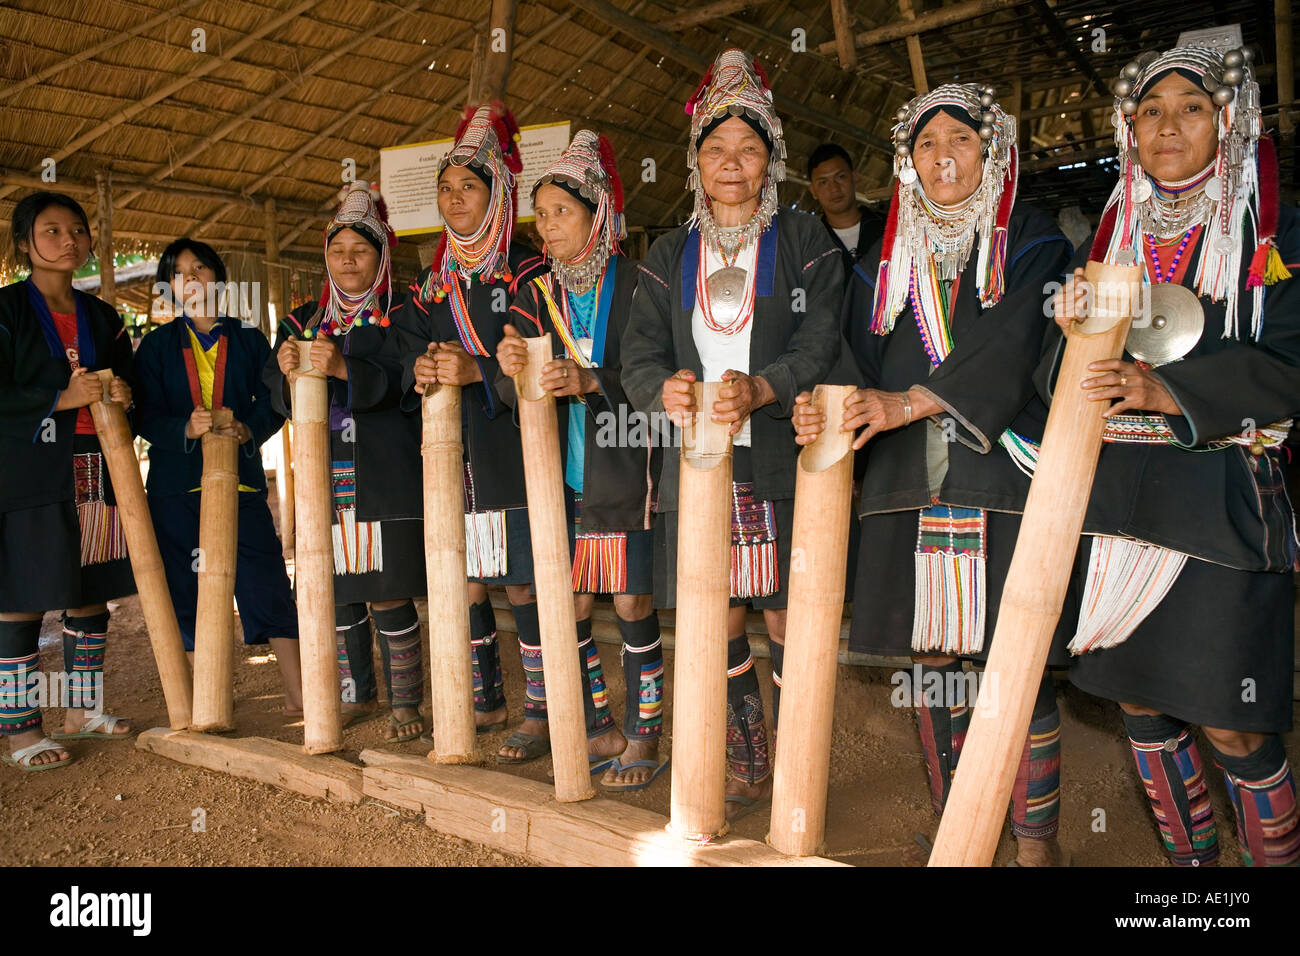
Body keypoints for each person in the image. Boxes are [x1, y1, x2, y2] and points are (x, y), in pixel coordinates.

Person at [796, 84, 1074, 865]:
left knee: (1016, 657)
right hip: (906, 483)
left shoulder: (1033, 243)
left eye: (961, 138)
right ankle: (958, 829)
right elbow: (847, 357)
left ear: (993, 152)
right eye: (926, 142)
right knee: (932, 661)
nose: (943, 155)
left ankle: (1035, 845)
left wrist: (911, 401)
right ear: (907, 161)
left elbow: (1018, 343)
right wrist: (826, 407)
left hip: (1001, 476)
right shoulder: (882, 262)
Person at [1048, 45, 1299, 867]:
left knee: (1231, 716)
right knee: (1141, 705)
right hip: (1121, 502)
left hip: (1221, 501)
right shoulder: (1112, 241)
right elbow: (1062, 382)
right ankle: (1191, 877)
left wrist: (1169, 391)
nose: (1167, 126)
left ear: (1227, 123)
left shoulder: (1274, 234)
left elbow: (1290, 360)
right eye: (1150, 110)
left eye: (1191, 107)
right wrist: (1073, 334)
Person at [621, 49, 844, 820]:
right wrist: (661, 389)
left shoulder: (807, 240)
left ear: (770, 160)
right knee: (715, 612)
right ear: (696, 160)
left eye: (749, 148)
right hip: (700, 462)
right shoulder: (668, 252)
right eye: (716, 148)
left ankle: (797, 767)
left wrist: (765, 387)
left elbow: (822, 337)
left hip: (780, 453)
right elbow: (639, 353)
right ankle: (749, 760)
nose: (731, 162)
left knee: (785, 610)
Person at [497, 130, 667, 790]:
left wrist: (592, 380)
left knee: (630, 599)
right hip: (561, 475)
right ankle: (599, 726)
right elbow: (508, 381)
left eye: (562, 212)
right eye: (541, 215)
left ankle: (646, 732)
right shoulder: (535, 291)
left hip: (624, 464)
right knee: (566, 601)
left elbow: (659, 373)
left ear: (598, 215)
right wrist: (513, 364)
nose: (549, 227)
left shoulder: (640, 282)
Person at [391, 103, 551, 762]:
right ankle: (485, 700)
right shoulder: (431, 284)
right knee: (465, 579)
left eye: (469, 187)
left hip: (511, 448)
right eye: (446, 188)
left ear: (497, 195)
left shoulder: (528, 273)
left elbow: (541, 357)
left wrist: (475, 369)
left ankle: (543, 711)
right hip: (449, 454)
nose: (455, 199)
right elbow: (404, 347)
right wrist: (422, 366)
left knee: (524, 582)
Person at [266, 182, 426, 744]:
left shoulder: (404, 314)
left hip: (385, 471)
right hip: (323, 473)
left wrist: (344, 370)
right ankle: (358, 693)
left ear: (381, 258)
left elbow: (409, 380)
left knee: (386, 585)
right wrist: (286, 368)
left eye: (360, 250)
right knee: (336, 588)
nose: (348, 260)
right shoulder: (301, 321)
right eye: (338, 251)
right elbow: (275, 396)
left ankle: (406, 701)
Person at [133, 238, 302, 714]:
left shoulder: (249, 338)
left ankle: (300, 695)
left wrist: (250, 429)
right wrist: (183, 429)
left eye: (200, 268)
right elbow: (141, 414)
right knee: (185, 589)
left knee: (265, 581)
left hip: (240, 483)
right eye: (179, 272)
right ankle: (197, 705)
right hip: (176, 489)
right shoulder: (156, 346)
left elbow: (274, 401)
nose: (191, 278)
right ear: (168, 288)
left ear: (218, 278)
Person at [1, 192, 136, 770]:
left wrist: (125, 393)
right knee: (21, 598)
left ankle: (83, 710)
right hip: (28, 472)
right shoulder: (6, 310)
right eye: (51, 230)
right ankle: (21, 731)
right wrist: (59, 397)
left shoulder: (103, 316)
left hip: (94, 465)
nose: (68, 240)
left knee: (90, 589)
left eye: (77, 230)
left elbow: (128, 381)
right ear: (24, 242)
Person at [806, 142, 884, 283]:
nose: (834, 188)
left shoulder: (888, 227)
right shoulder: (811, 244)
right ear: (813, 191)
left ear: (854, 177)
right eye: (823, 182)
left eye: (840, 177)